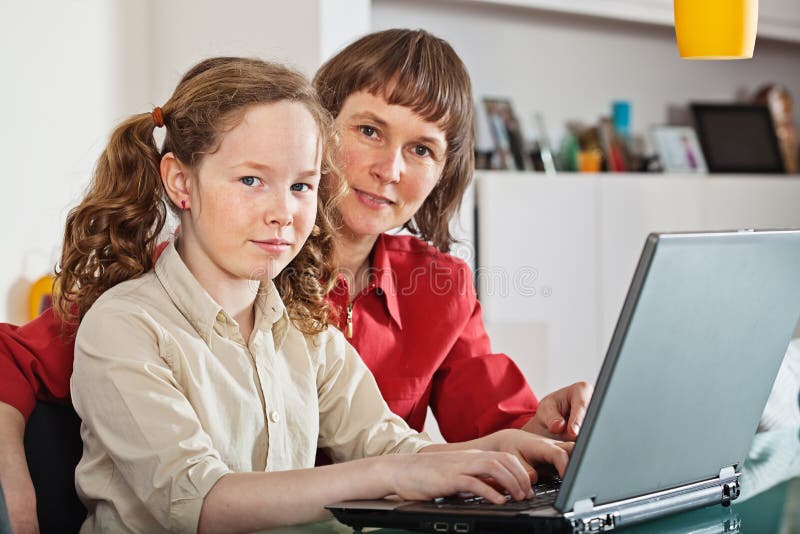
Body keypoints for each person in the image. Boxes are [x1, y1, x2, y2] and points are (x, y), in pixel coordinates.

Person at [0, 29, 591, 532]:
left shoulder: (309, 322)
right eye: (252, 180)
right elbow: (195, 497)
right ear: (182, 184)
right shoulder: (131, 317)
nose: (391, 169)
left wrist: (506, 446)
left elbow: (391, 442)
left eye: (301, 186)